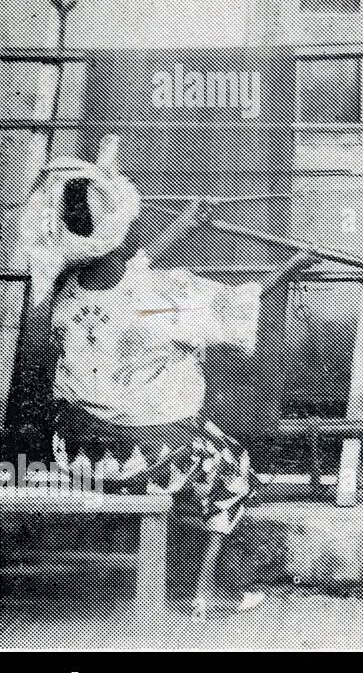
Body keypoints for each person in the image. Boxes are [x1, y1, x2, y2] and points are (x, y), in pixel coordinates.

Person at [31, 153, 265, 617]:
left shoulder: (65, 290)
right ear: (130, 240)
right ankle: (202, 593)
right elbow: (235, 332)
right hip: (132, 461)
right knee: (229, 464)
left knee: (163, 406)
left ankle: (185, 582)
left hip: (71, 449)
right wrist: (272, 279)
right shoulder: (156, 297)